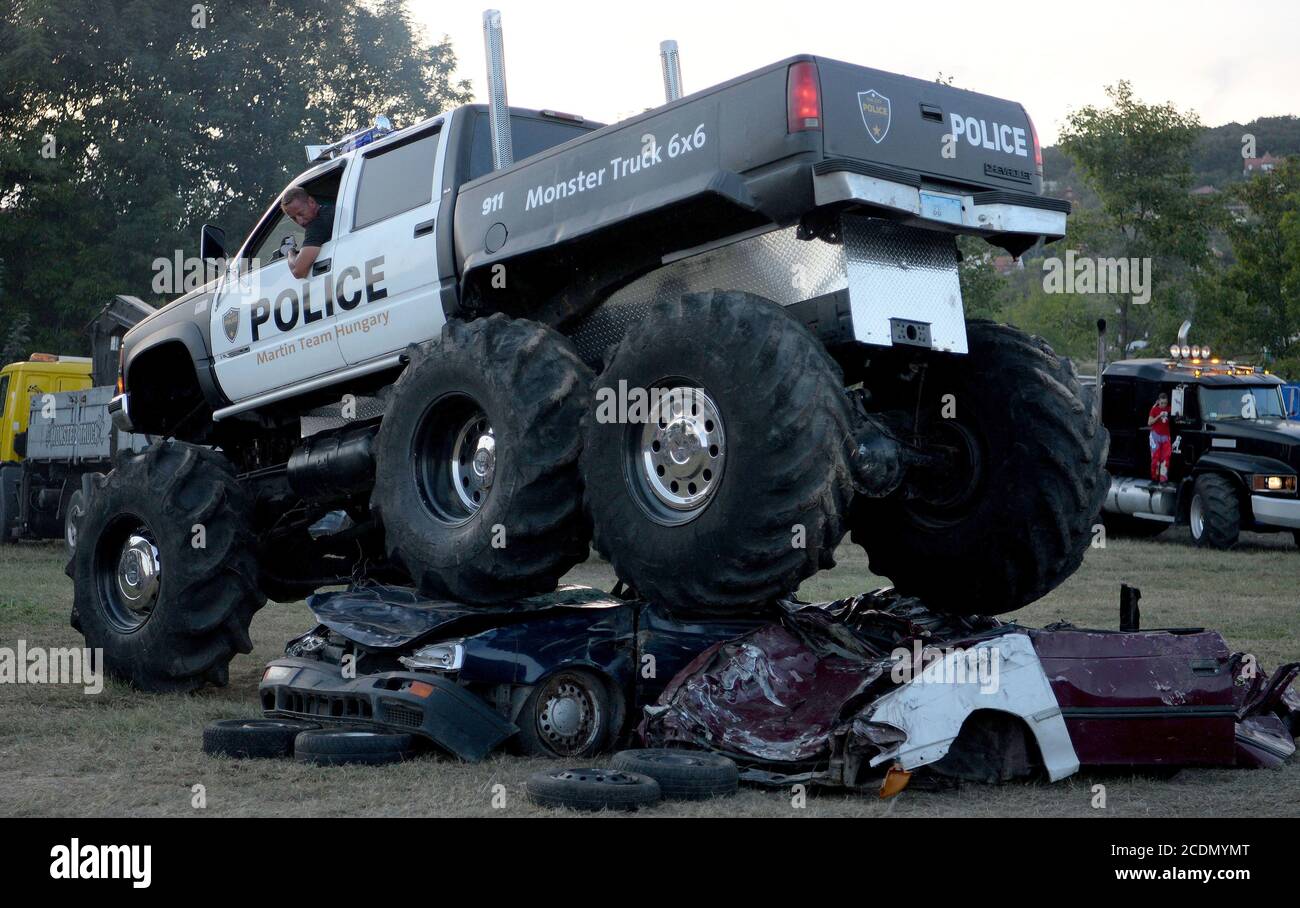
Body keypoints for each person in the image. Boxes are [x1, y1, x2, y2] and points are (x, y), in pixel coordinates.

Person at [278, 186, 334, 279]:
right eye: (294, 218)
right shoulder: (332, 211)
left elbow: (298, 271)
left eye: (301, 213)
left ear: (311, 202)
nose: (300, 222)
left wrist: (289, 250)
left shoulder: (317, 225)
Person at [1148, 391, 1172, 482]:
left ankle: (1163, 479)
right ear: (1158, 402)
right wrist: (1159, 416)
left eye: (1165, 403)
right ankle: (1154, 478)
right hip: (1155, 435)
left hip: (1165, 436)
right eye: (1162, 403)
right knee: (1155, 459)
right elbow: (1149, 422)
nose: (1163, 405)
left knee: (1166, 458)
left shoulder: (1169, 409)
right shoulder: (1154, 409)